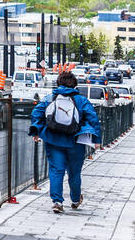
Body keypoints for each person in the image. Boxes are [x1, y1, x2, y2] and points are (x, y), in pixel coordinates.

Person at [29, 71, 103, 214]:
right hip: (76, 141)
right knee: (74, 173)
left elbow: (36, 113)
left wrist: (36, 132)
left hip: (53, 139)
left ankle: (57, 201)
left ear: (58, 83)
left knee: (56, 171)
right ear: (74, 84)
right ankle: (75, 200)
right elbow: (93, 119)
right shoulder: (81, 100)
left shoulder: (50, 98)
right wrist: (97, 140)